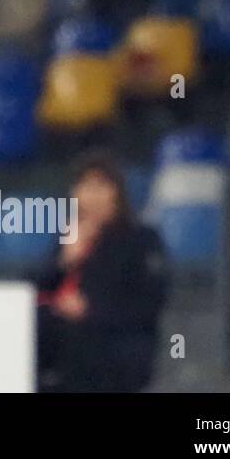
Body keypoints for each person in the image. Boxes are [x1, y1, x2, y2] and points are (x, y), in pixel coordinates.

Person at [34, 150, 168, 392]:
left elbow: (149, 304)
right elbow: (35, 289)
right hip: (65, 339)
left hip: (117, 344)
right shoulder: (68, 238)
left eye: (100, 186)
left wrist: (90, 311)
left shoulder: (141, 240)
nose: (92, 196)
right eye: (85, 187)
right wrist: (63, 263)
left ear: (117, 192)